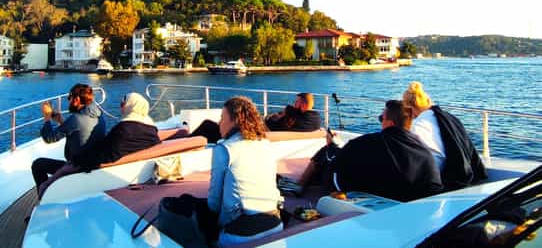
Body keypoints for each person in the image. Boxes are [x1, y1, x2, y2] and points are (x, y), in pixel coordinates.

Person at [203, 97, 283, 245]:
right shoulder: (266, 144)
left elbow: (213, 203)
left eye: (222, 118)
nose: (219, 123)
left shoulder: (224, 149)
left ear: (235, 120)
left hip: (240, 232)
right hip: (275, 224)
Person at [330, 100, 444, 202]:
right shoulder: (424, 150)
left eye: (381, 118)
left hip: (377, 206)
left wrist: (331, 146)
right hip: (417, 209)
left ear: (390, 123)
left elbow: (336, 167)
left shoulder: (365, 143)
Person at [402, 81, 487, 190]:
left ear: (408, 107)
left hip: (443, 176)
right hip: (466, 170)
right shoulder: (447, 117)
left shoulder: (418, 125)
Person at [30, 84, 106, 196]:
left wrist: (47, 118)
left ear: (77, 99)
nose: (68, 101)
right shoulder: (98, 115)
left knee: (38, 164)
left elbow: (49, 138)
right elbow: (79, 130)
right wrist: (61, 121)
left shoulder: (76, 118)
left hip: (78, 166)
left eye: (69, 98)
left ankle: (45, 197)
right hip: (91, 163)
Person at [71, 92, 161, 171]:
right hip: (136, 163)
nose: (120, 107)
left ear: (130, 106)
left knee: (65, 168)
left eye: (123, 104)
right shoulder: (151, 127)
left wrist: (78, 160)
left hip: (109, 166)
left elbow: (109, 154)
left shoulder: (124, 129)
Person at [190, 91, 320, 144]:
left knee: (208, 125)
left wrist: (263, 121)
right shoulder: (315, 119)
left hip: (258, 132)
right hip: (264, 130)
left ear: (302, 104)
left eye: (296, 102)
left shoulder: (293, 115)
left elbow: (273, 129)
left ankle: (187, 142)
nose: (294, 104)